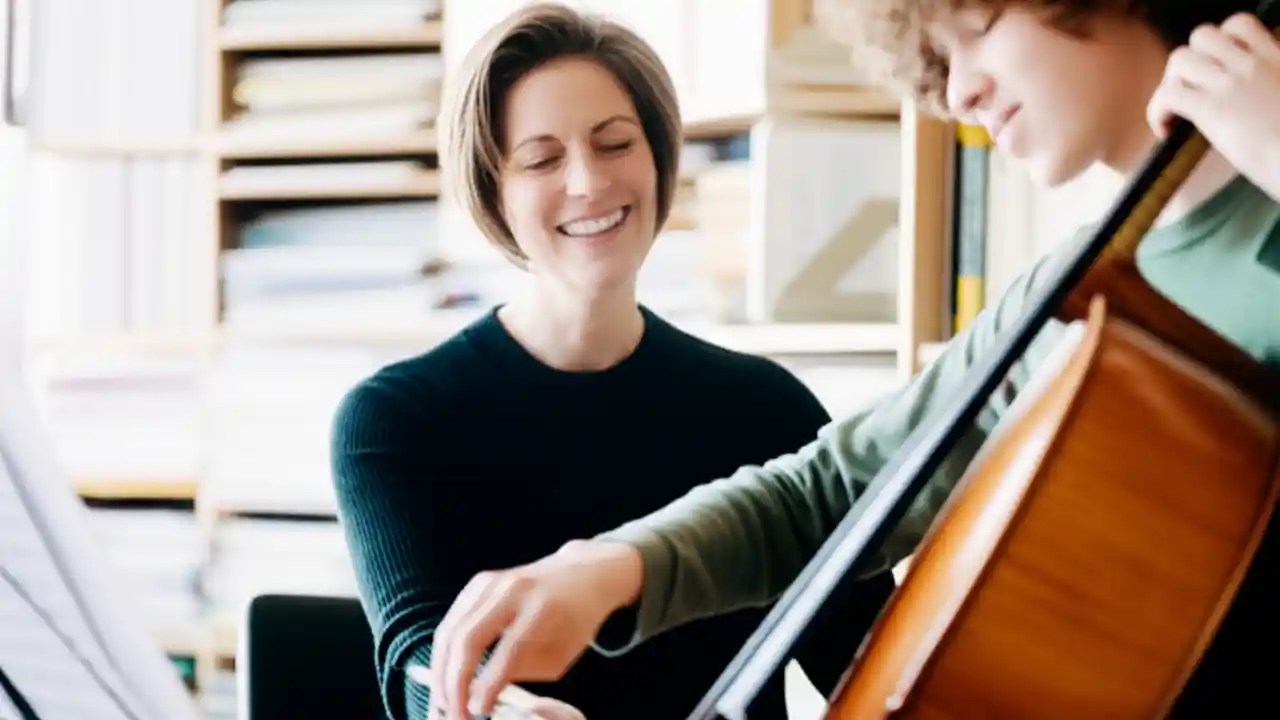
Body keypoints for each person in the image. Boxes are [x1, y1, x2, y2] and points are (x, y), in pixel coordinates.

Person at [426, 1, 1280, 718]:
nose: (963, 87)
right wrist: (607, 568)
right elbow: (834, 492)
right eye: (939, 60)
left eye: (978, 25)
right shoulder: (1070, 297)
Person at [328, 4, 893, 720]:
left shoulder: (766, 407)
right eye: (542, 159)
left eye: (615, 143)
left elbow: (875, 660)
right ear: (494, 193)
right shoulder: (396, 418)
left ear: (658, 157)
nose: (589, 183)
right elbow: (416, 655)